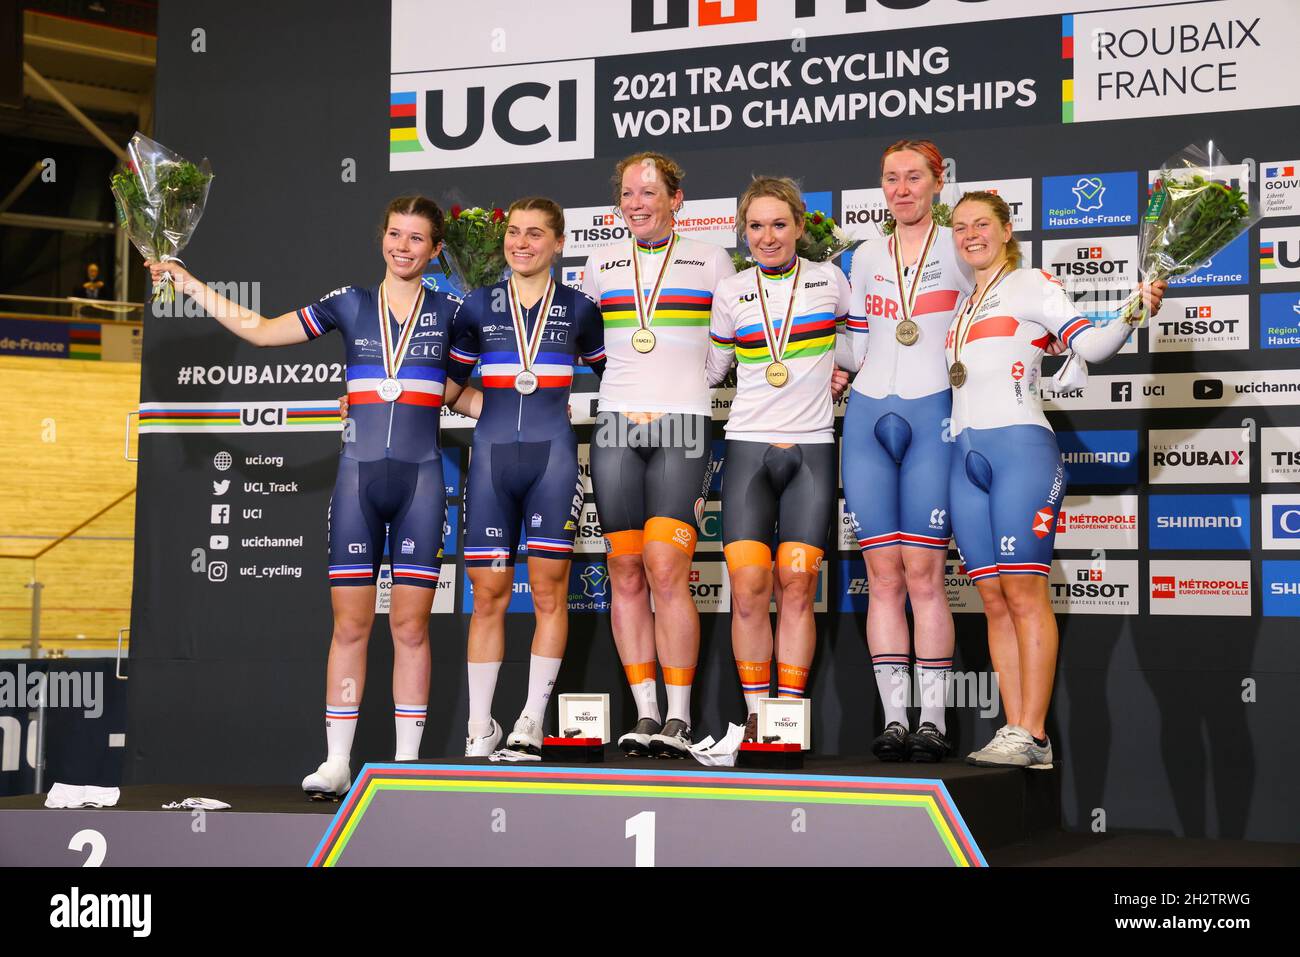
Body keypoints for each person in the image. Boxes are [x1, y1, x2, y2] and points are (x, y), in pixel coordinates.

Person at [148, 196, 481, 796]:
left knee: (410, 628)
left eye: (416, 239)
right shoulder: (348, 304)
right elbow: (265, 332)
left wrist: (535, 412)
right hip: (356, 481)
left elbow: (460, 391)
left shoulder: (455, 311)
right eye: (395, 235)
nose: (403, 247)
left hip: (422, 482)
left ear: (435, 251)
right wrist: (188, 281)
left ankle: (406, 765)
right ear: (381, 236)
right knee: (350, 627)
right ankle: (337, 761)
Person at [944, 191, 1165, 768]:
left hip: (1020, 451)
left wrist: (1134, 308)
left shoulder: (1031, 285)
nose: (971, 235)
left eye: (982, 224)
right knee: (991, 598)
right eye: (961, 226)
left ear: (1007, 228)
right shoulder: (966, 300)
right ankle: (1014, 731)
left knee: (1023, 592)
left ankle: (1034, 731)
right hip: (965, 460)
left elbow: (1090, 345)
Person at [580, 152, 734, 757]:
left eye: (649, 192)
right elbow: (587, 342)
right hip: (617, 423)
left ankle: (679, 715)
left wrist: (695, 386)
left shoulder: (710, 258)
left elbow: (735, 335)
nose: (637, 203)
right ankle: (643, 712)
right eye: (627, 193)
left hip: (685, 424)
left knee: (667, 571)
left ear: (677, 199)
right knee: (623, 570)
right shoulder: (599, 262)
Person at [449, 197, 605, 756]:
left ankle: (532, 719)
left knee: (546, 592)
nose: (522, 243)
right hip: (491, 461)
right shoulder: (476, 306)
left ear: (558, 243)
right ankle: (479, 727)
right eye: (514, 232)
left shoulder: (582, 308)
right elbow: (442, 385)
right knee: (487, 594)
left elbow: (617, 379)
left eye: (535, 234)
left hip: (553, 461)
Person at [706, 176, 854, 742]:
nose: (768, 236)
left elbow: (861, 346)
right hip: (747, 446)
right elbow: (712, 371)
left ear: (799, 226)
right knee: (747, 590)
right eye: (756, 226)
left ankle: (785, 722)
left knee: (797, 586)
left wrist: (844, 372)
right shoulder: (731, 292)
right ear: (745, 232)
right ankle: (753, 720)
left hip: (813, 448)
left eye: (779, 224)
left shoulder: (830, 281)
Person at [841, 140, 974, 761]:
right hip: (868, 416)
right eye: (890, 178)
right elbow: (857, 344)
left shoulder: (963, 245)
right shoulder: (867, 255)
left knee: (925, 575)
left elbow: (999, 317)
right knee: (881, 576)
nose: (901, 189)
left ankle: (934, 720)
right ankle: (896, 718)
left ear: (938, 181)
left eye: (913, 177)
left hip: (935, 415)